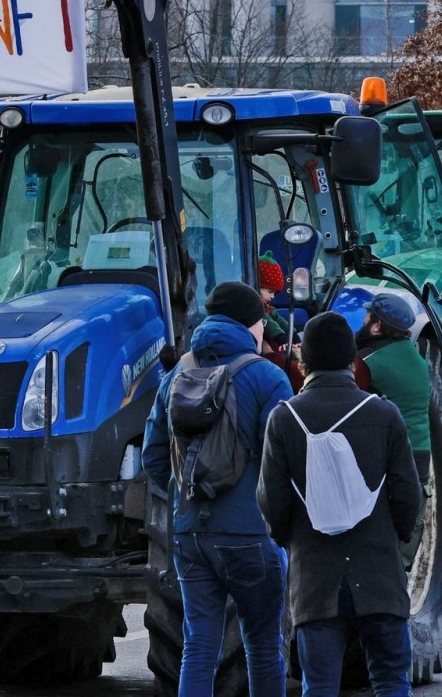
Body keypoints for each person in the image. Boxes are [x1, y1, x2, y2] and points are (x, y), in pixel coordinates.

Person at [258, 312, 421, 697]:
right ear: (353, 361)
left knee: (319, 685)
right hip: (379, 574)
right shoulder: (384, 414)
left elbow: (271, 501)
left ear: (303, 363)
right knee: (391, 680)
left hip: (315, 578)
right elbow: (408, 494)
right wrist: (391, 539)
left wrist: (290, 540)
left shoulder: (284, 419)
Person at [143, 281, 293, 697]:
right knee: (263, 647)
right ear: (252, 325)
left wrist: (185, 496)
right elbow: (282, 460)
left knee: (198, 646)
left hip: (191, 535)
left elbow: (153, 458)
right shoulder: (268, 377)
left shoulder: (176, 375)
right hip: (249, 533)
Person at [356, 293, 431, 486]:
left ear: (376, 326)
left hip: (389, 457)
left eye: (367, 316)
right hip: (420, 455)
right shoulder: (416, 358)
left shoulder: (368, 361)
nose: (363, 321)